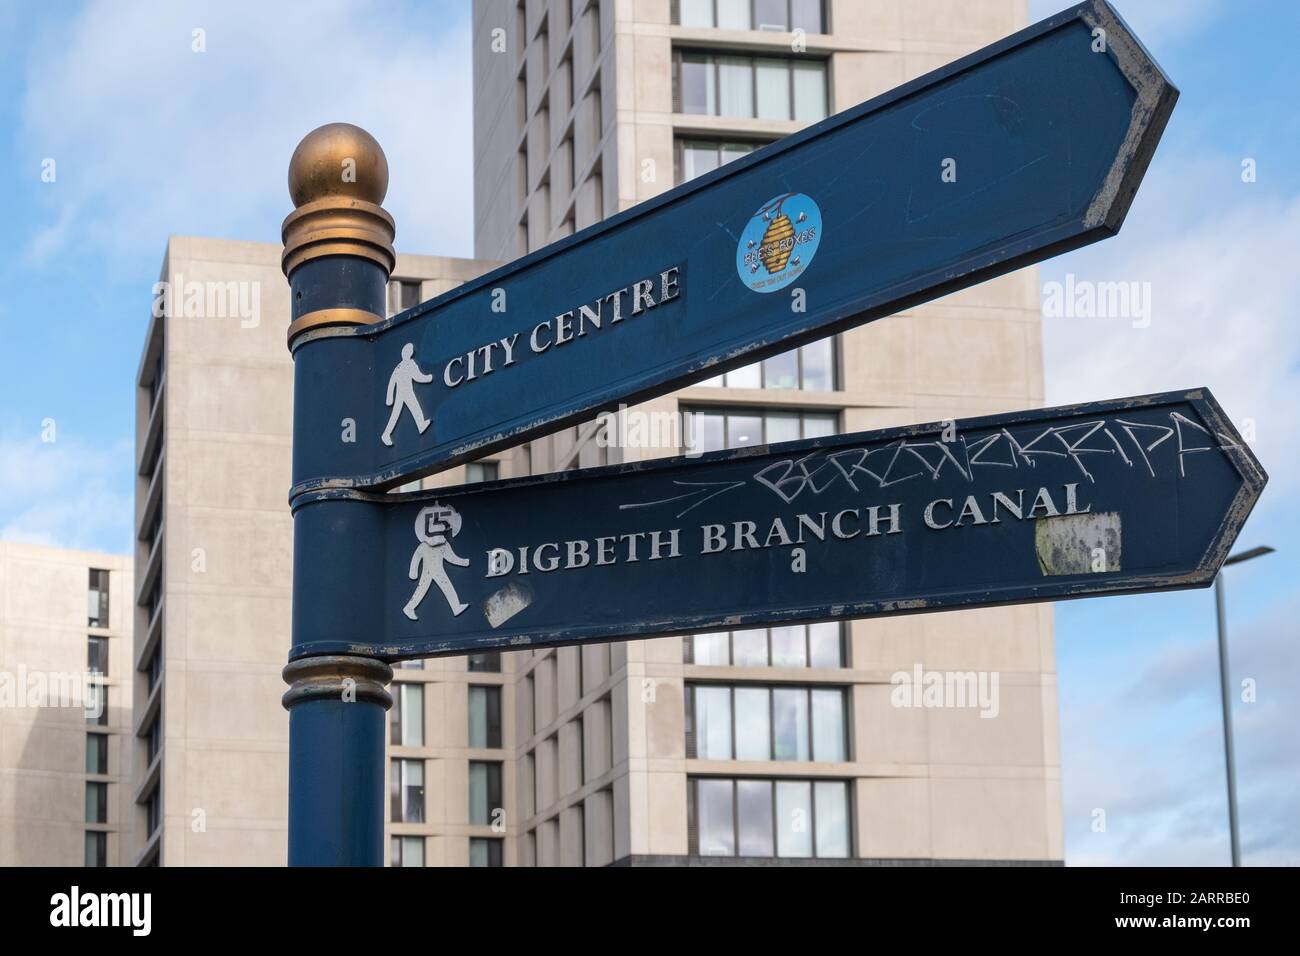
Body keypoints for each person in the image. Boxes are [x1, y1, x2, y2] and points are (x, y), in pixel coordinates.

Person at [404, 503, 470, 620]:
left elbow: (452, 558)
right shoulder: (424, 546)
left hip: (435, 570)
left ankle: (409, 608)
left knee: (424, 589)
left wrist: (464, 562)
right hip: (434, 571)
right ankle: (456, 608)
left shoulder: (444, 545)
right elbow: (416, 558)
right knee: (442, 586)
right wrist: (413, 573)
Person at [382, 343, 433, 447]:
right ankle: (386, 434)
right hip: (406, 391)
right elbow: (417, 377)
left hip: (402, 392)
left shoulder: (399, 366)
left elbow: (392, 383)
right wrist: (428, 378)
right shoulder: (409, 364)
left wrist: (389, 397)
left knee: (398, 413)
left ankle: (420, 425)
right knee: (410, 408)